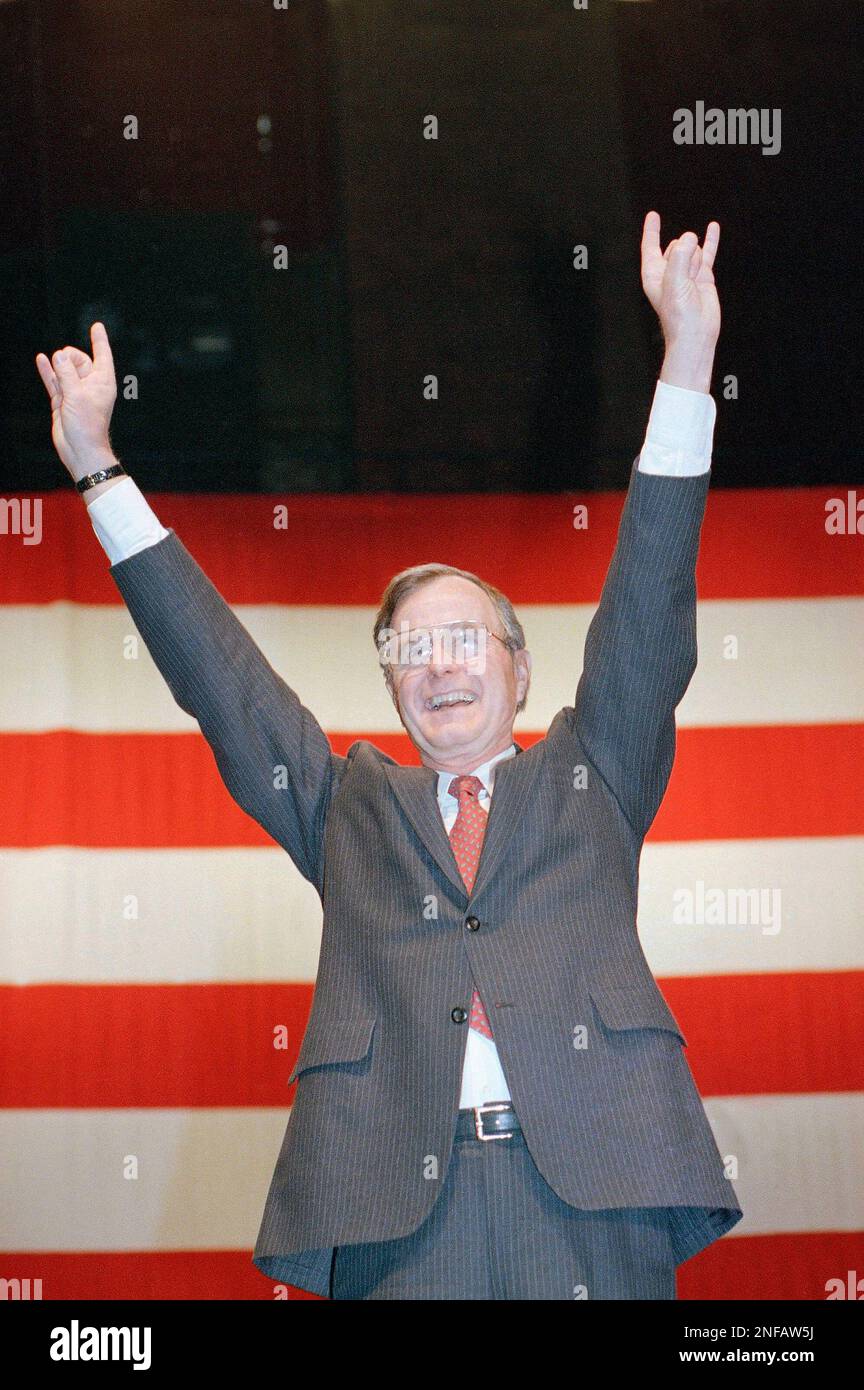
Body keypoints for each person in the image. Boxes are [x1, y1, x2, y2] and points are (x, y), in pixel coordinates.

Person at [36, 211, 742, 1300]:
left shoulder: (593, 771)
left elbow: (650, 599)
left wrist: (688, 359)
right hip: (400, 1221)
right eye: (409, 648)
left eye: (463, 638)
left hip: (597, 1194)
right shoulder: (348, 807)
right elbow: (223, 682)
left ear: (516, 666)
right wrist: (97, 470)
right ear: (391, 687)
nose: (438, 664)